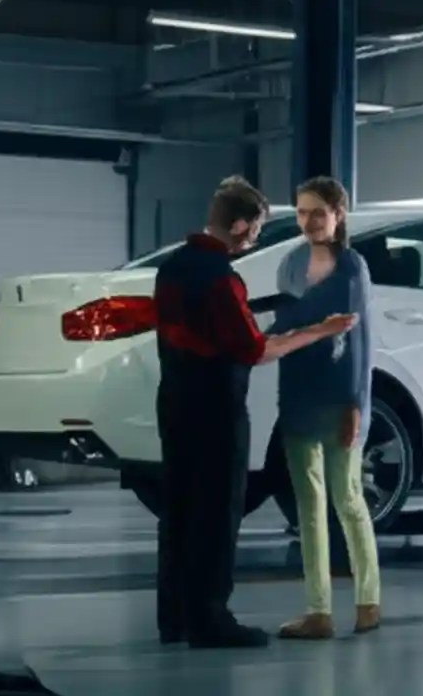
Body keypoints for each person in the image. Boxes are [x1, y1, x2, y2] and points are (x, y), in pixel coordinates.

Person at [154, 175, 357, 649]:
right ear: (240, 225)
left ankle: (175, 617)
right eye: (258, 228)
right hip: (216, 409)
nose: (258, 237)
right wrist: (317, 331)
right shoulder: (222, 278)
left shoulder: (171, 268)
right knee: (217, 511)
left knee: (179, 509)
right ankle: (211, 618)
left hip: (175, 401)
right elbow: (252, 349)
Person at [272, 176, 381, 640]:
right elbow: (288, 324)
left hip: (339, 396)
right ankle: (318, 610)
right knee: (308, 507)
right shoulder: (291, 265)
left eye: (318, 212)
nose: (309, 221)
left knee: (348, 499)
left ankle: (368, 600)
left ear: (338, 214)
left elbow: (355, 339)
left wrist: (356, 403)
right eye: (301, 212)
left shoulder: (352, 267)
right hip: (298, 394)